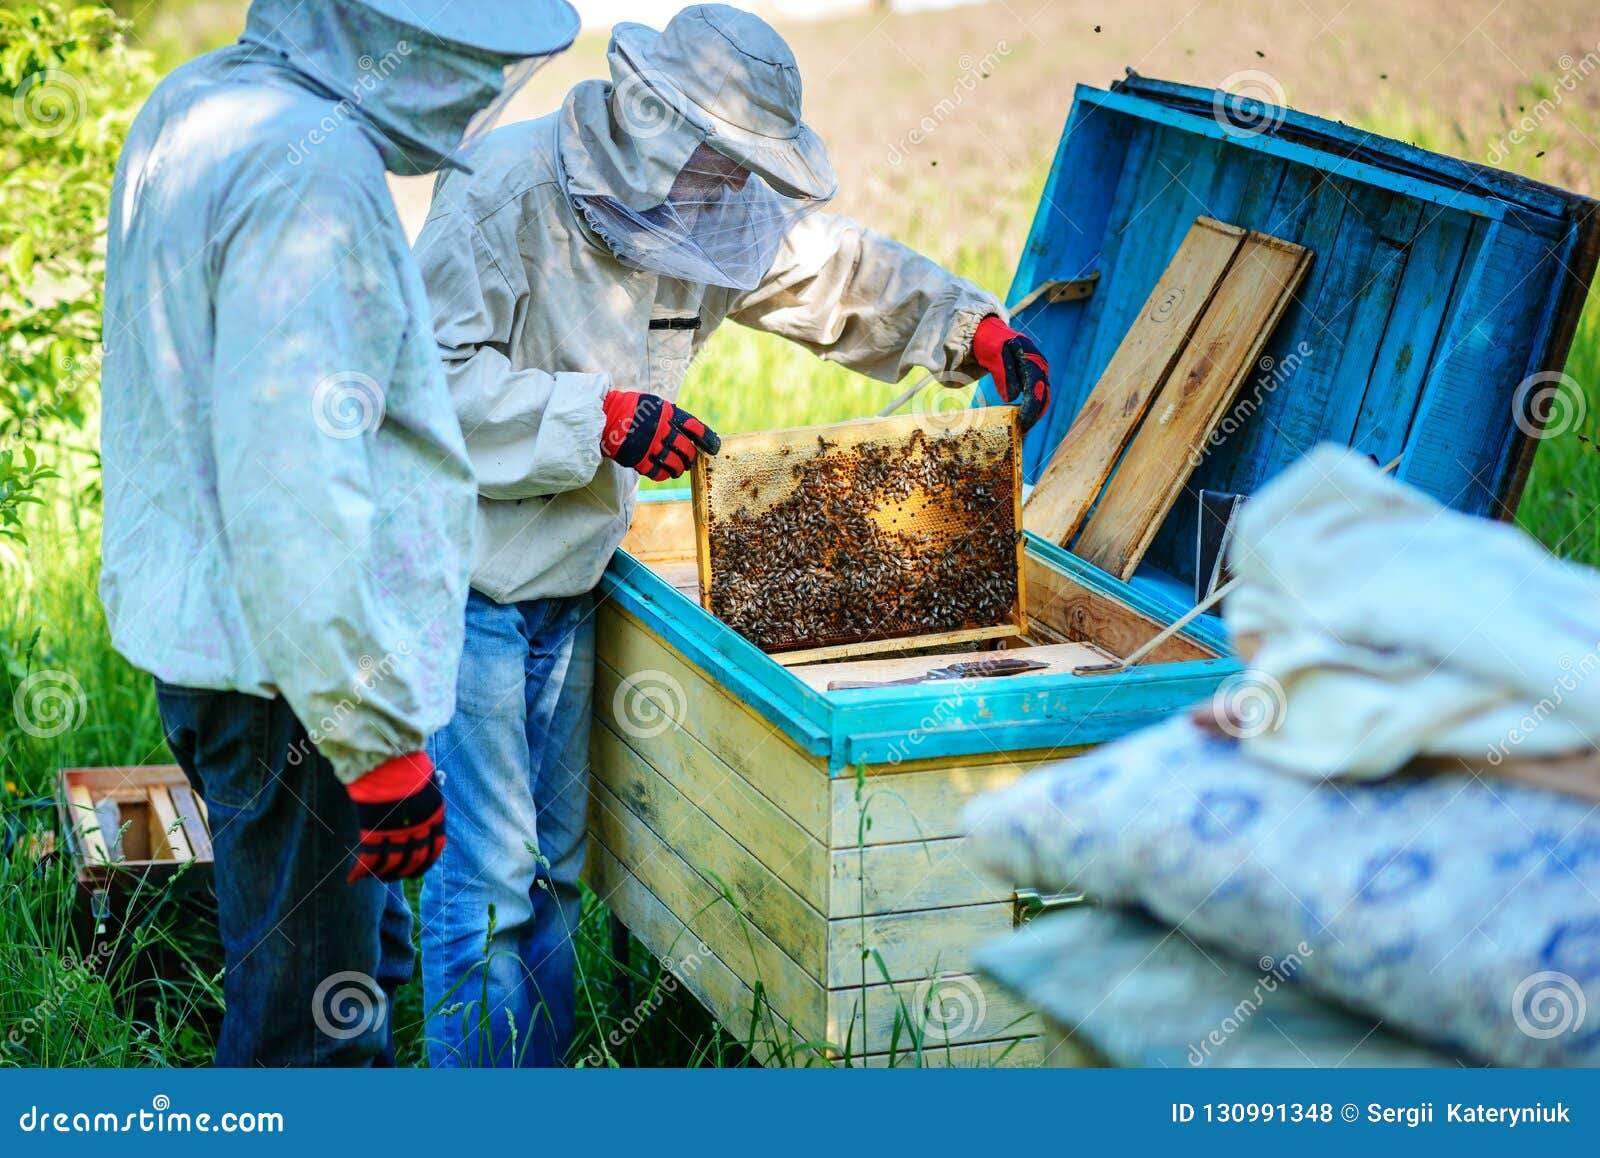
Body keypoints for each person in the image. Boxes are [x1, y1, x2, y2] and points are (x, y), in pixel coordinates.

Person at [411, 3, 1052, 1068]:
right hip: (457, 579)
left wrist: (967, 325)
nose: (734, 186)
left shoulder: (708, 210)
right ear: (660, 122)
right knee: (483, 884)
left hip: (568, 577)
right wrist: (600, 420)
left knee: (554, 873)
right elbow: (425, 385)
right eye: (724, 157)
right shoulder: (504, 190)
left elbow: (831, 270)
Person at [98, 0, 579, 1067]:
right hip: (294, 687)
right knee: (304, 1036)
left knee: (348, 977)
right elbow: (293, 485)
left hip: (224, 646)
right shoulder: (309, 171)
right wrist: (373, 741)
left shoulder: (200, 100)